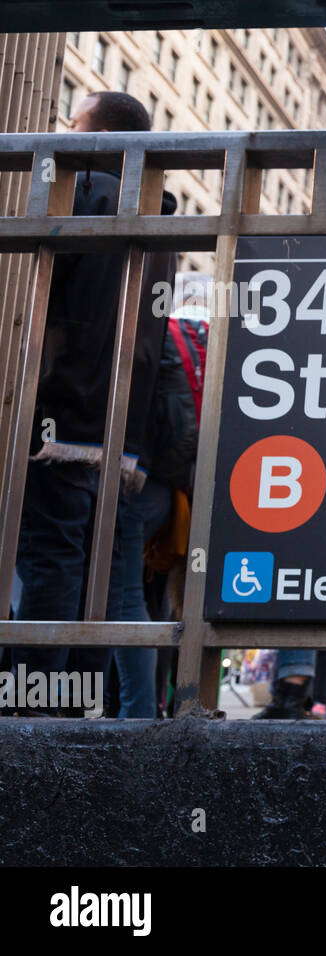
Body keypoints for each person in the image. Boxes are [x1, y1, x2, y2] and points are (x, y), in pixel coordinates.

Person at [6, 92, 177, 716]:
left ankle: (29, 711)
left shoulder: (83, 193)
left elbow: (46, 299)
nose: (64, 132)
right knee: (97, 578)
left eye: (73, 124)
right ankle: (74, 710)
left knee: (52, 562)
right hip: (119, 430)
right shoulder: (161, 222)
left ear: (97, 134)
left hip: (62, 415)